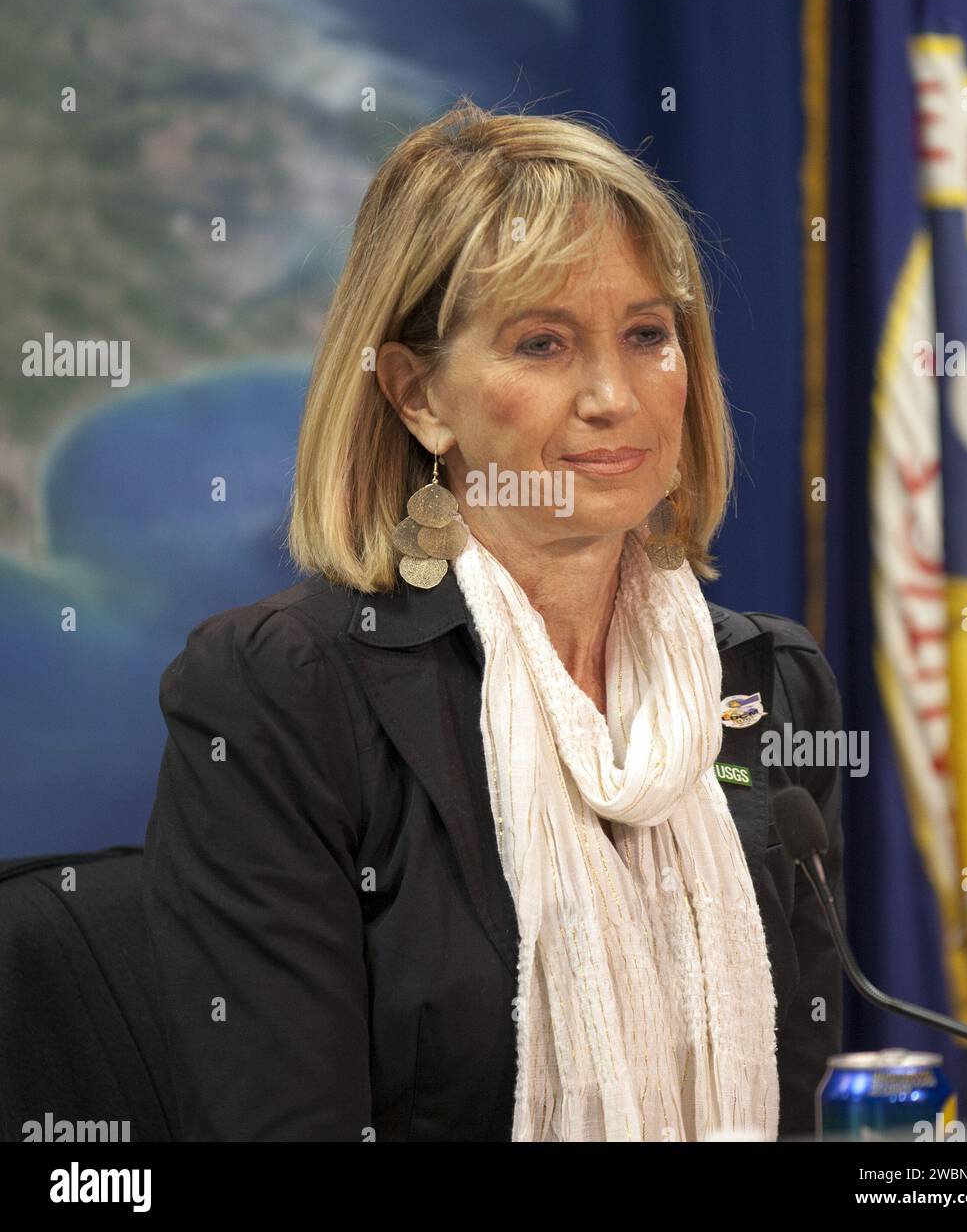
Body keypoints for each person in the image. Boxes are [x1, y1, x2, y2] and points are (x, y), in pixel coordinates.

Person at [142, 96, 846, 1142]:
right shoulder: (283, 697)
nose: (614, 394)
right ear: (418, 394)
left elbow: (805, 1105)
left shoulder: (759, 684)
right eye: (542, 343)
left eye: (647, 334)